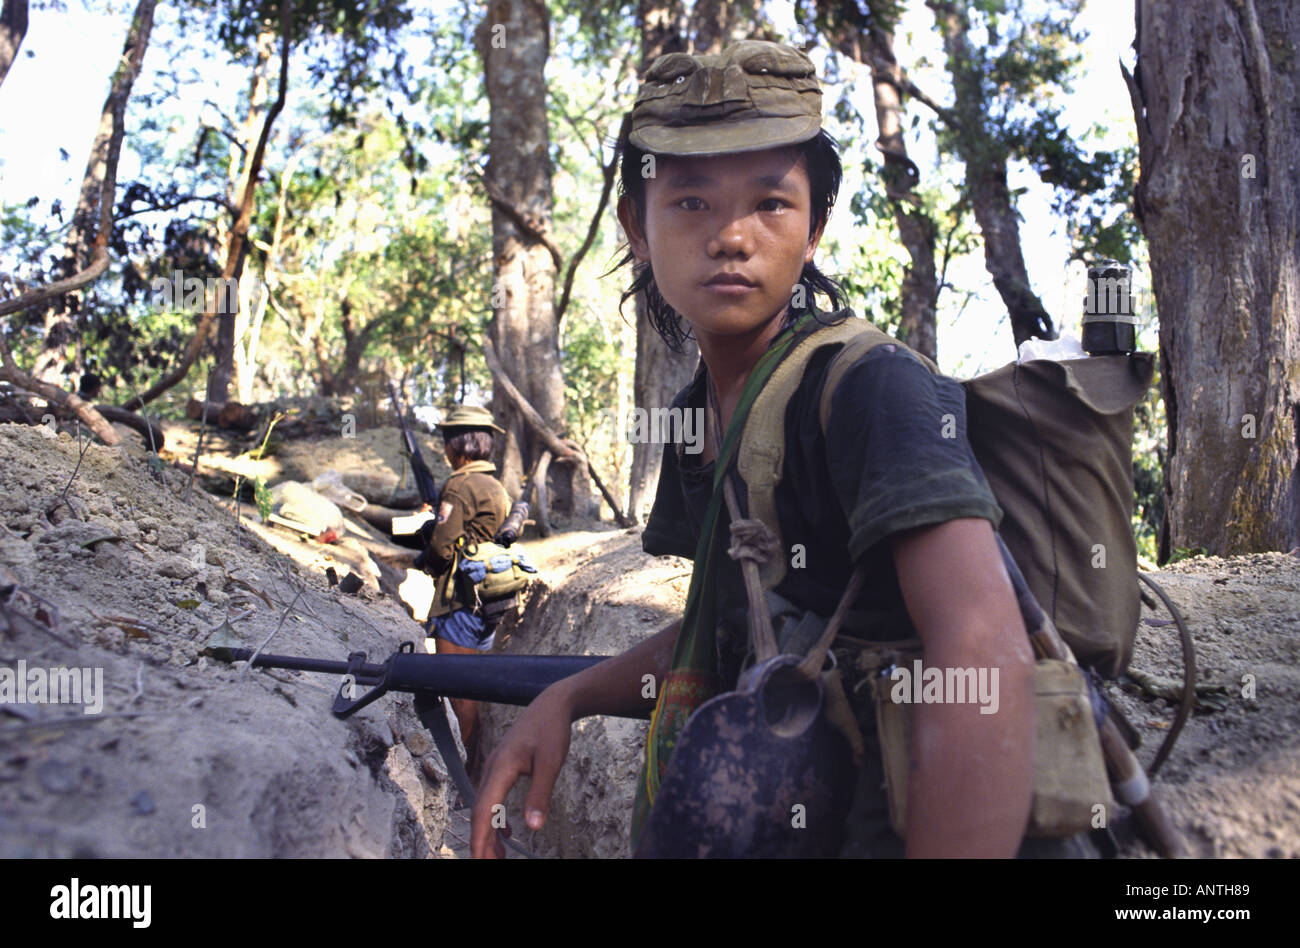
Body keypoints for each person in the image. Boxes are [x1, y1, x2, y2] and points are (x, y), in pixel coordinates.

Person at [471, 39, 1045, 858]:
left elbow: (984, 653)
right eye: (691, 204)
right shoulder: (699, 418)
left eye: (771, 203)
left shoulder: (871, 386)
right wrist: (567, 697)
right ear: (638, 224)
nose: (732, 237)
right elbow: (726, 629)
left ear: (815, 226)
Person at [419, 404, 511, 772]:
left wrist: (425, 558)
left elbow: (443, 548)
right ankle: (471, 770)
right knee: (468, 687)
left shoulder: (460, 484)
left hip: (458, 599)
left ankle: (462, 776)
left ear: (457, 445)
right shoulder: (494, 484)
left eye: (446, 440)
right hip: (484, 599)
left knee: (459, 692)